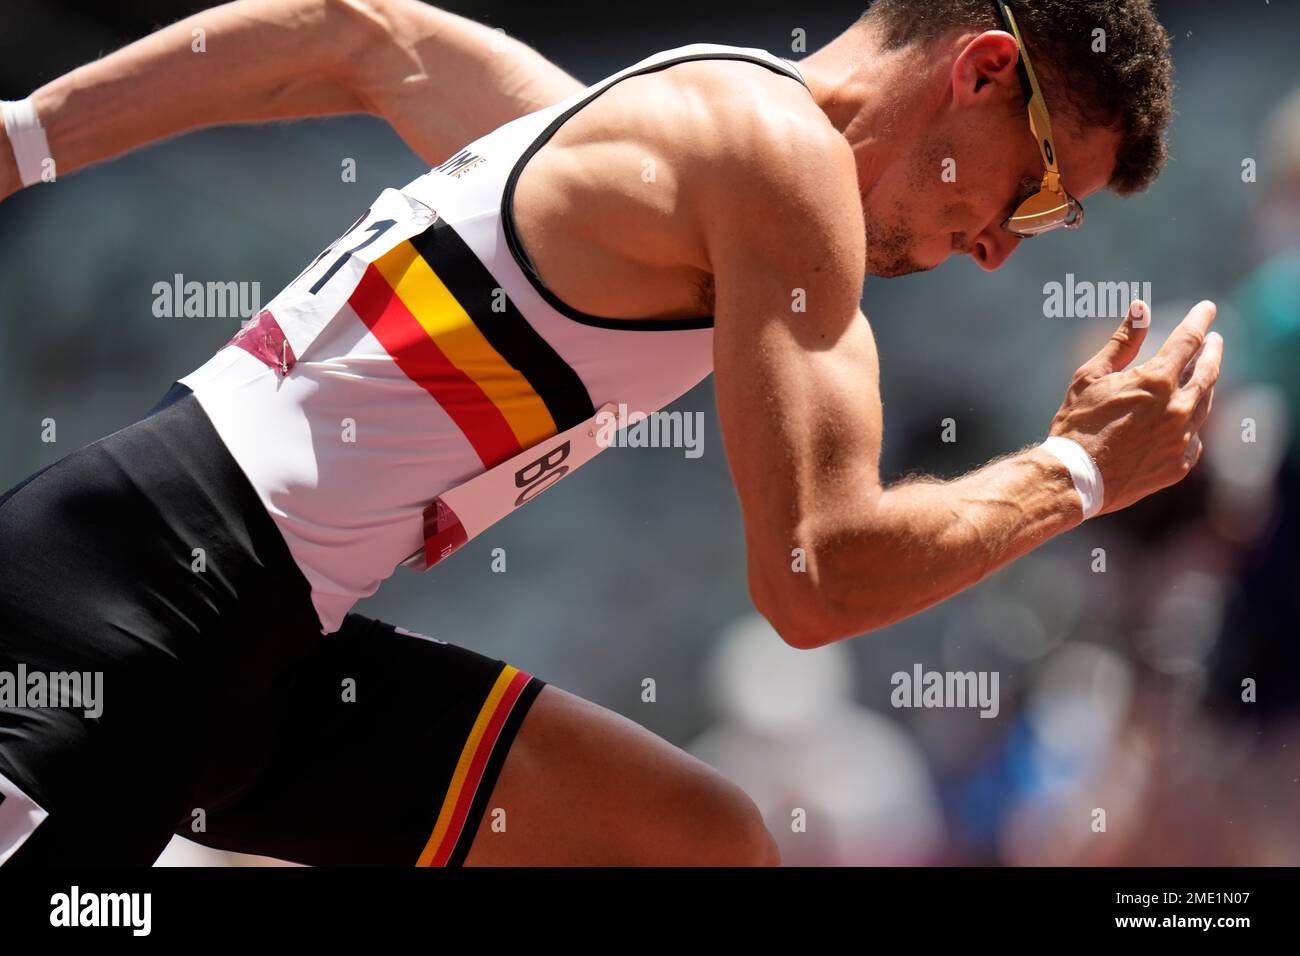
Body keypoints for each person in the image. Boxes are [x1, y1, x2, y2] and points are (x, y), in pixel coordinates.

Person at [0, 0, 1217, 866]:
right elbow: (815, 575)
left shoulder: (659, 128)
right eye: (1039, 192)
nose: (1007, 242)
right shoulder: (776, 161)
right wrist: (1076, 472)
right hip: (129, 607)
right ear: (983, 70)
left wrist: (24, 136)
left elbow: (359, 36)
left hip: (270, 650)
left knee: (697, 842)